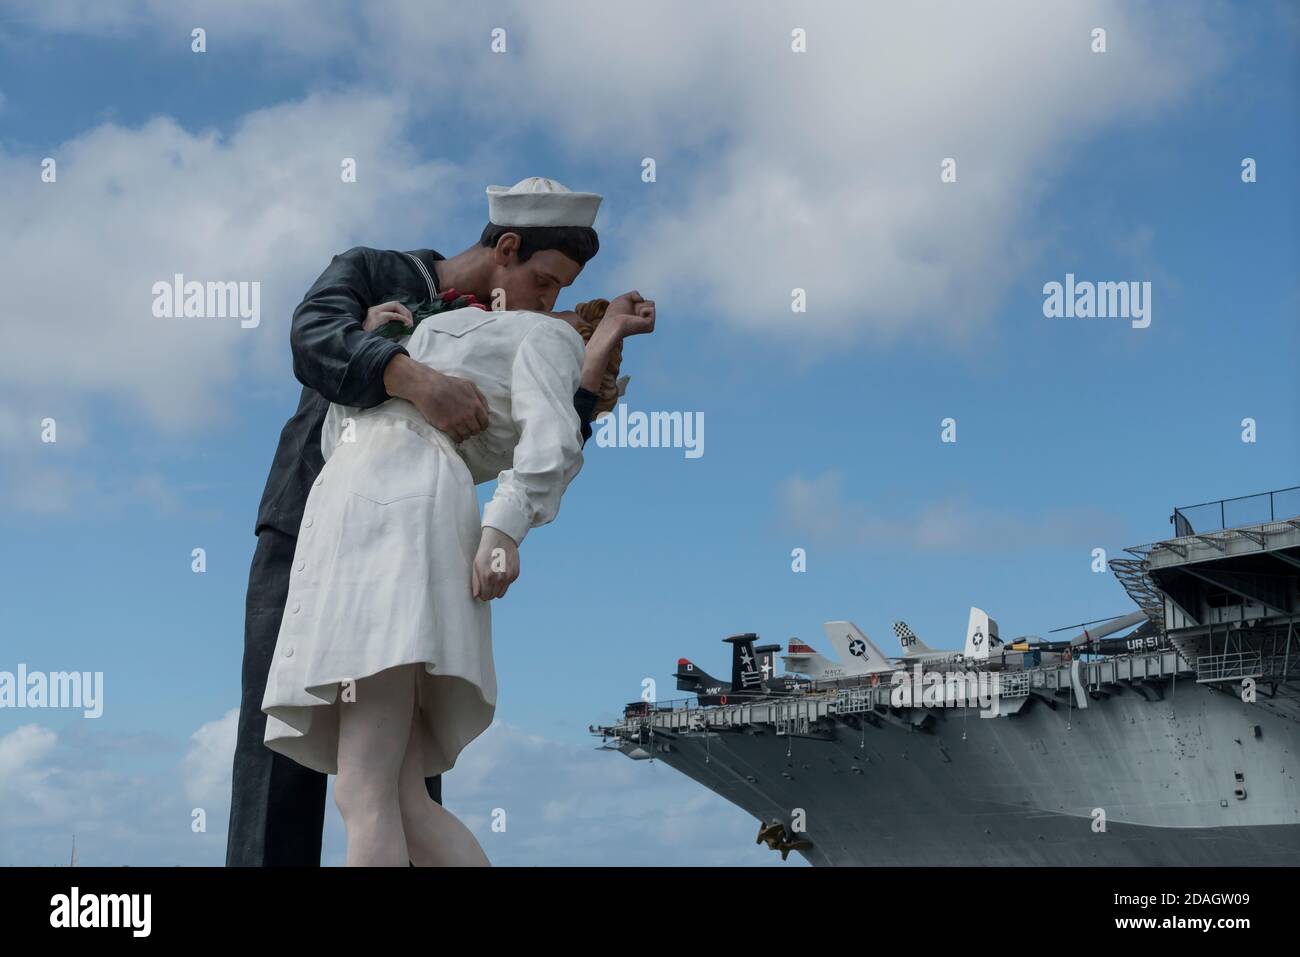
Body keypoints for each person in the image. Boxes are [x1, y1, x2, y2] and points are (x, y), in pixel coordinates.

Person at [226, 177, 649, 866]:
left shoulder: (510, 330)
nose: (550, 302)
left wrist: (594, 347)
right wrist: (413, 376)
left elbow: (548, 437)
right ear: (506, 247)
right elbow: (313, 338)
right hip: (305, 523)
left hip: (403, 527)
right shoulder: (373, 273)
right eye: (544, 282)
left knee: (390, 785)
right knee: (285, 768)